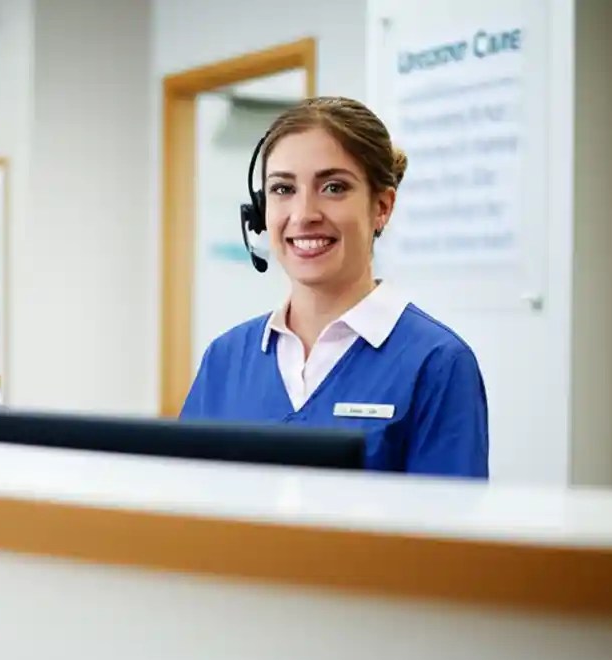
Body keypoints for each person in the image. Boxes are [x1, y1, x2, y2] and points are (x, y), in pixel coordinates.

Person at [179, 96, 489, 479]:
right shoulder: (225, 360)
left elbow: (446, 533)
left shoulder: (437, 363)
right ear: (260, 212)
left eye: (333, 187)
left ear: (381, 207)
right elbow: (183, 514)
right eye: (282, 189)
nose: (305, 214)